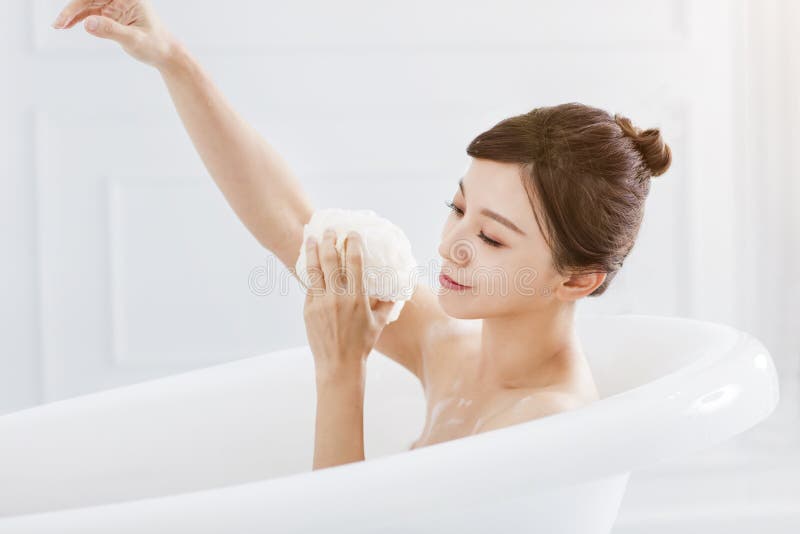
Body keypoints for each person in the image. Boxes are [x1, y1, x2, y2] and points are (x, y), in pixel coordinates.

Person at [51, 1, 672, 471]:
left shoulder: (546, 425)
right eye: (456, 208)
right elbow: (294, 226)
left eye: (492, 238)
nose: (451, 245)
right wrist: (173, 61)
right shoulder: (451, 346)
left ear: (578, 278)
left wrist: (340, 374)